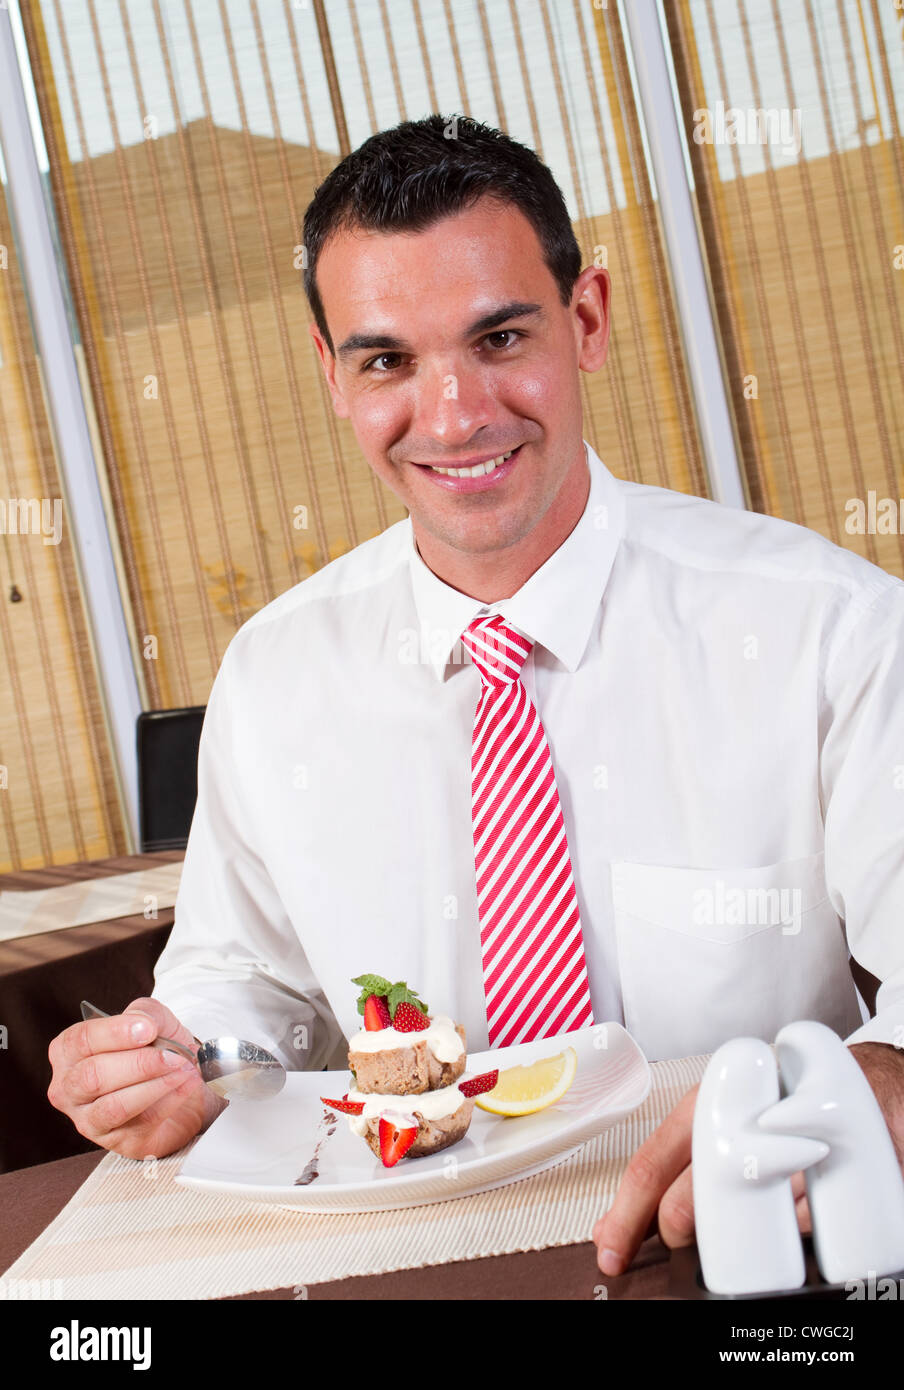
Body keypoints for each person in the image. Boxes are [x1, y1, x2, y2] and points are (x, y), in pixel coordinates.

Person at [47, 114, 904, 1280]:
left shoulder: (824, 624)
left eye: (498, 336)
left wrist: (889, 1072)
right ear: (332, 375)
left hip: (734, 1241)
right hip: (403, 1261)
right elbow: (247, 993)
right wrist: (181, 1059)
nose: (453, 414)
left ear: (586, 319)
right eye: (387, 359)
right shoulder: (274, 676)